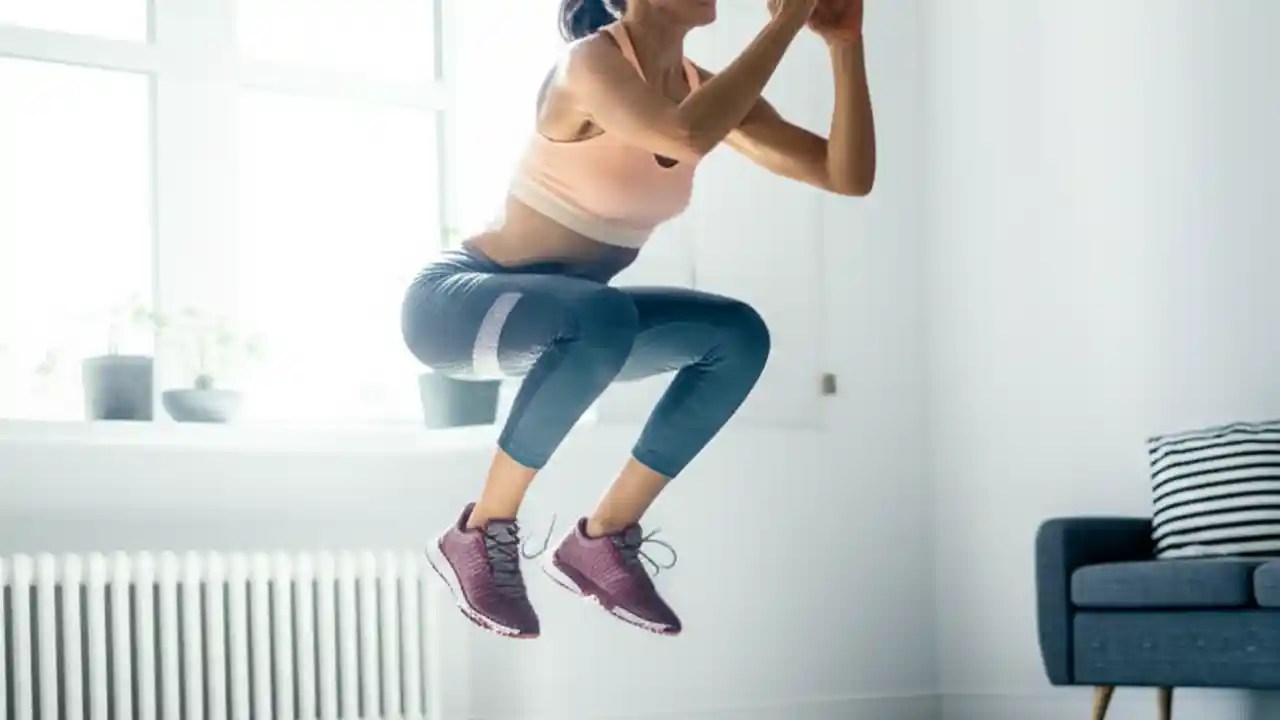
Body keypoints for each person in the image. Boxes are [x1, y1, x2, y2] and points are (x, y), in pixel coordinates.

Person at [401, 0, 875, 639]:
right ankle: (480, 533)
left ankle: (604, 537)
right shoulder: (589, 65)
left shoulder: (704, 90)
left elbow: (845, 174)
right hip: (460, 307)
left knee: (736, 336)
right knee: (602, 316)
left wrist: (843, 43)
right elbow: (683, 136)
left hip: (581, 322)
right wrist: (785, 20)